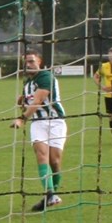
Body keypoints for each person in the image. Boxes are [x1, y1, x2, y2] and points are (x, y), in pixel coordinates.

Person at [11, 51, 67, 213]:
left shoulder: (45, 77)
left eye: (31, 61)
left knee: (55, 162)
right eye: (26, 62)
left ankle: (51, 195)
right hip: (38, 123)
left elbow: (38, 101)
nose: (28, 65)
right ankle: (50, 194)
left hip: (56, 121)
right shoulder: (27, 83)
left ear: (39, 62)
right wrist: (21, 101)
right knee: (42, 155)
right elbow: (28, 101)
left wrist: (21, 118)